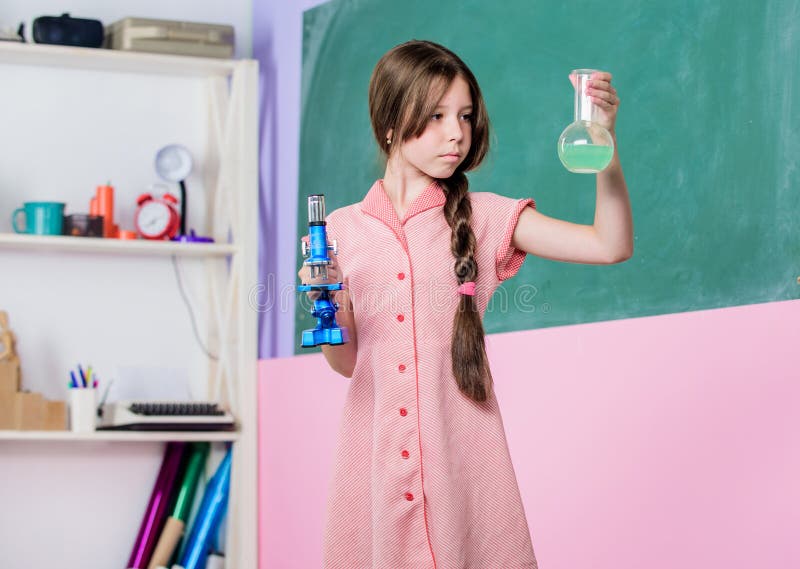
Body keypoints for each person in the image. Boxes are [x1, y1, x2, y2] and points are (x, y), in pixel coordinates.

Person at [298, 39, 632, 569]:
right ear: (390, 123)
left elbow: (609, 245)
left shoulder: (485, 217)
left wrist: (604, 146)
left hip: (464, 466)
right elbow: (346, 364)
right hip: (377, 466)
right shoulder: (339, 230)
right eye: (435, 115)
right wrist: (329, 299)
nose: (457, 132)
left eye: (466, 116)